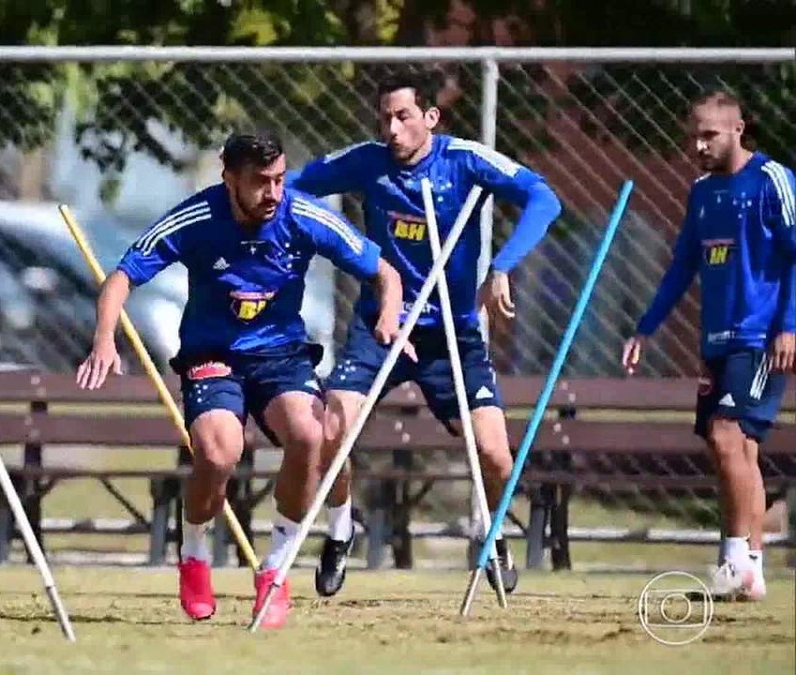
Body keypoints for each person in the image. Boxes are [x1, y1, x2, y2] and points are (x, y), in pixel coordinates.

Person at [76, 131, 404, 629]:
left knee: (310, 435)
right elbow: (121, 278)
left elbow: (384, 270)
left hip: (282, 356)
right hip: (213, 354)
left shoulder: (302, 214)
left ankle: (275, 570)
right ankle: (194, 554)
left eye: (278, 180)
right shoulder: (198, 217)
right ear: (229, 177)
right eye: (259, 182)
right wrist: (104, 338)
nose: (273, 193)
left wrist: (390, 315)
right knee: (217, 454)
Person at [288, 69, 561, 598]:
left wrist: (502, 266)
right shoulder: (366, 161)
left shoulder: (464, 159)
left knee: (496, 455)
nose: (392, 129)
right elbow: (291, 184)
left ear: (431, 118)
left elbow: (542, 198)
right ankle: (342, 528)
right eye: (385, 118)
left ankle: (489, 529)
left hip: (450, 334)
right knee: (329, 435)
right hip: (380, 325)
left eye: (404, 117)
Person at [623, 90, 794, 601]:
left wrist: (788, 325)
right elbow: (683, 265)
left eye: (709, 135)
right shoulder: (702, 193)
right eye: (693, 137)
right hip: (716, 340)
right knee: (738, 450)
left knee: (727, 437)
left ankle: (733, 559)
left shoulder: (772, 181)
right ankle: (753, 574)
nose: (698, 145)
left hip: (760, 339)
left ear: (738, 130)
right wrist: (646, 327)